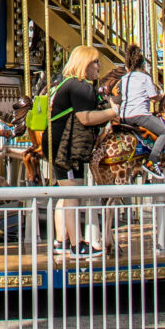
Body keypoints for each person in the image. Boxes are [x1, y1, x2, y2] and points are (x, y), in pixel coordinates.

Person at [47, 44, 118, 254]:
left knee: (68, 192)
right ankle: (77, 245)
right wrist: (112, 113)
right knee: (73, 193)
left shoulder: (67, 84)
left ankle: (63, 240)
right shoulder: (80, 86)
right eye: (95, 62)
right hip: (66, 148)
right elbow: (85, 118)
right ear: (84, 64)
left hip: (63, 144)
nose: (98, 66)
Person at [116, 44, 165, 169]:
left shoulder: (124, 79)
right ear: (142, 65)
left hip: (124, 116)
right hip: (140, 115)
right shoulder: (145, 77)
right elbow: (153, 97)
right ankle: (153, 160)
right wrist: (161, 95)